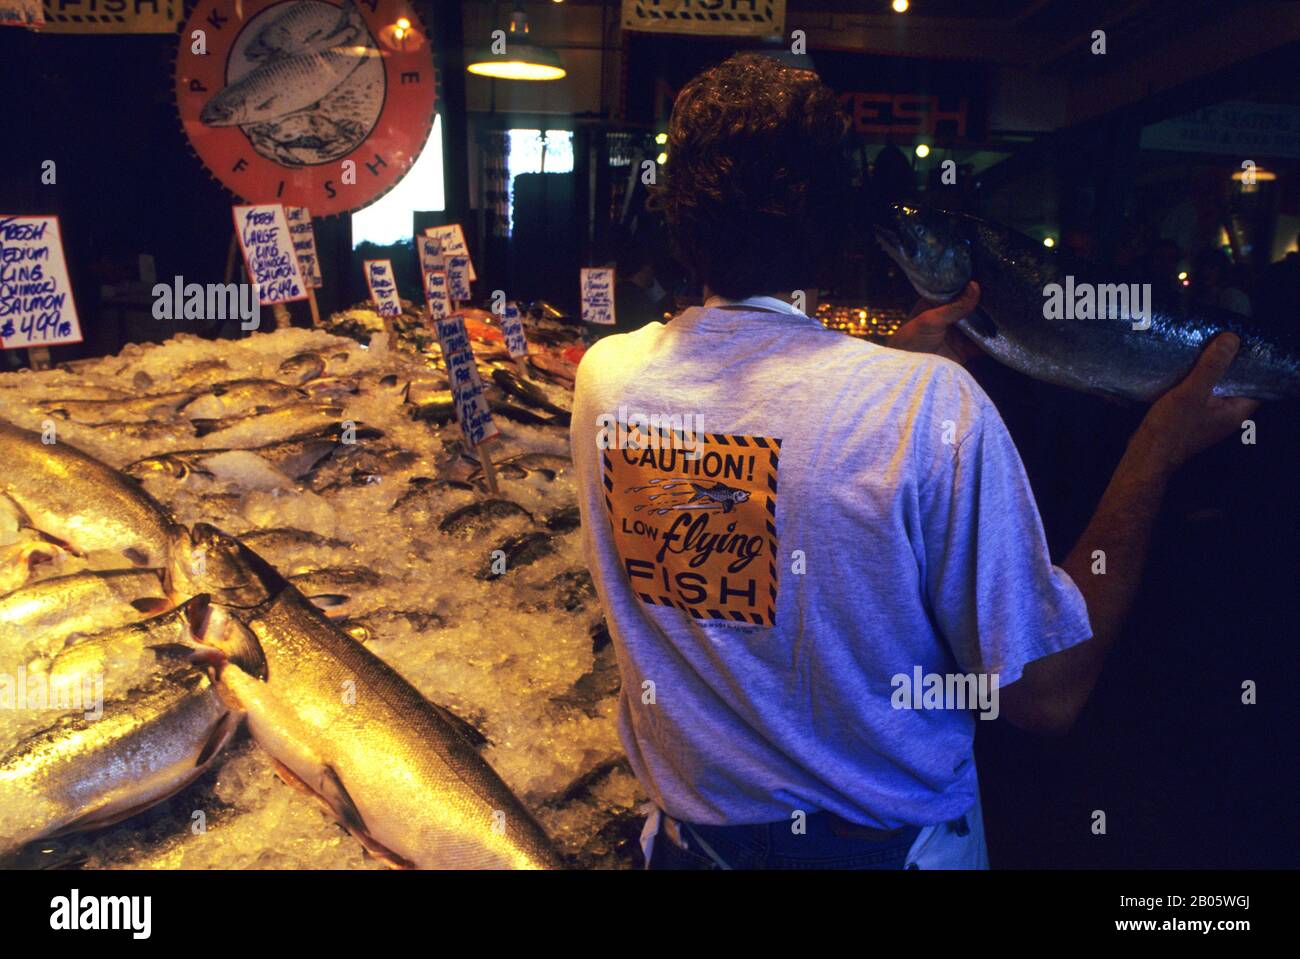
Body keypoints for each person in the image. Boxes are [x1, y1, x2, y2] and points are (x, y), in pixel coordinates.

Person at [569, 54, 1258, 870]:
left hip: (690, 851)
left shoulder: (608, 381)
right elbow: (1045, 693)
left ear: (680, 225)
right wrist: (1158, 446)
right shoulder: (931, 407)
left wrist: (886, 374)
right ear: (837, 228)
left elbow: (781, 460)